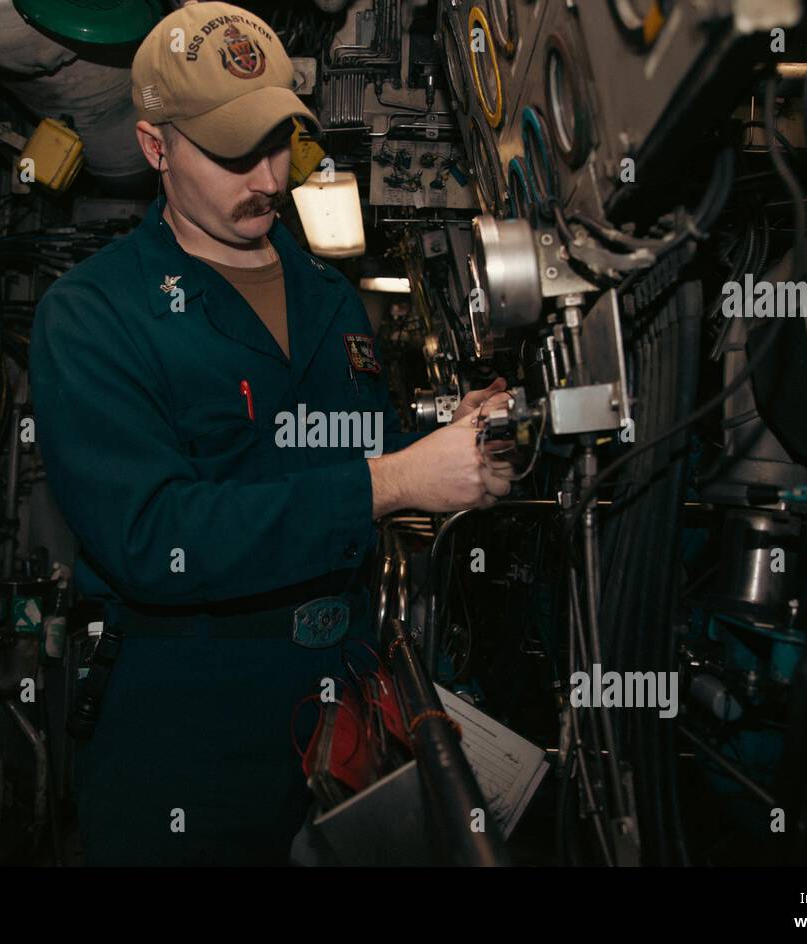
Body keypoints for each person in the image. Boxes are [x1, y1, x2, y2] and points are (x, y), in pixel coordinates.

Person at [30, 0, 512, 865]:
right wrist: (392, 483)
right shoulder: (96, 315)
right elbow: (155, 536)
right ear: (154, 147)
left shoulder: (330, 299)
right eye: (229, 151)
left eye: (278, 141)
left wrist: (457, 444)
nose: (266, 178)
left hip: (341, 718)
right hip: (186, 743)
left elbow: (364, 448)